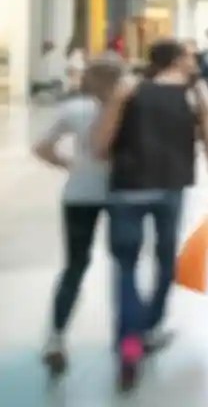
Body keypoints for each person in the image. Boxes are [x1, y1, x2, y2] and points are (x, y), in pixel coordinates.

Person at [93, 39, 208, 391]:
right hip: (170, 189)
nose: (195, 59)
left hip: (126, 189)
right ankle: (148, 327)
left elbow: (100, 147)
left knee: (125, 268)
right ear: (179, 61)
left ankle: (130, 347)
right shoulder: (193, 95)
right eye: (190, 54)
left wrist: (118, 104)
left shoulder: (131, 89)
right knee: (166, 261)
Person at [32, 57, 124, 375]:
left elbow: (42, 148)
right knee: (125, 266)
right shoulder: (126, 109)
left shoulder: (73, 109)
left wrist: (70, 165)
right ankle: (129, 343)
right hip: (121, 195)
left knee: (74, 266)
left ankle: (56, 339)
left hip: (78, 195)